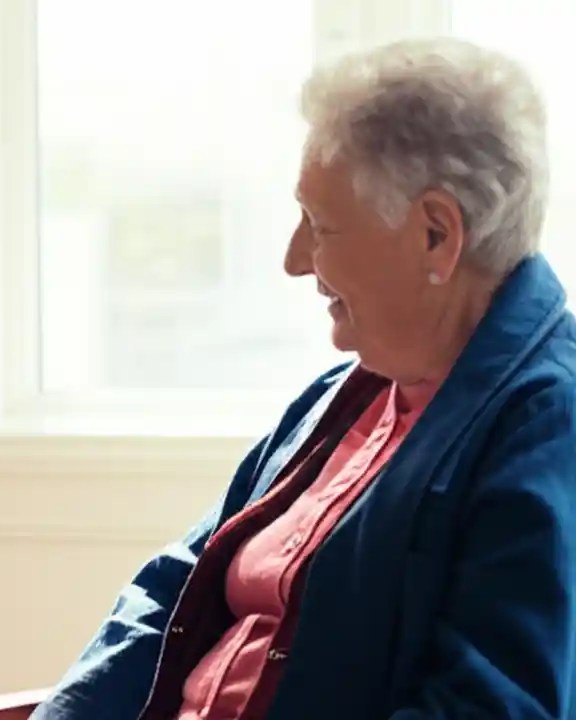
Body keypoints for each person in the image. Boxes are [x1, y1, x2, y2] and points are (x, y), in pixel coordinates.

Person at [32, 38, 576, 720]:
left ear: (436, 234)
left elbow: (492, 707)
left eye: (320, 226)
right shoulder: (340, 396)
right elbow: (177, 589)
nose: (294, 260)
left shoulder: (548, 426)